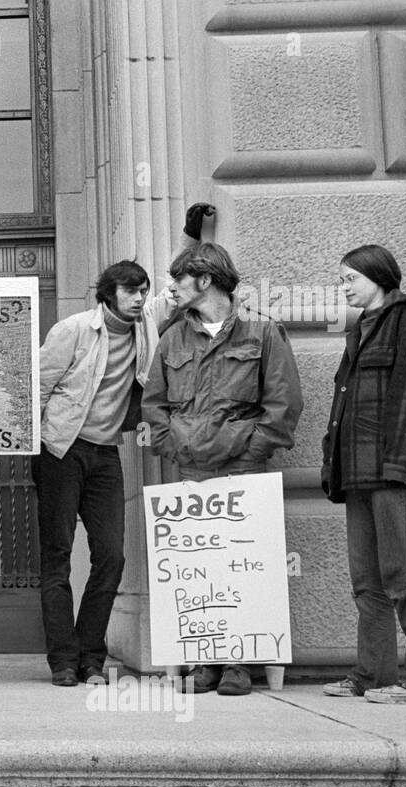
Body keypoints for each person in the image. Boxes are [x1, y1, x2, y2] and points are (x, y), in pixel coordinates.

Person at [34, 205, 209, 687]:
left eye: (143, 292)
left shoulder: (144, 326)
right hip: (60, 451)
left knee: (111, 555)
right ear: (108, 294)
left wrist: (192, 238)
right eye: (131, 291)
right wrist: (32, 446)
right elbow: (37, 387)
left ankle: (92, 654)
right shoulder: (72, 330)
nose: (140, 298)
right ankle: (63, 660)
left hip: (106, 453)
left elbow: (177, 293)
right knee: (57, 555)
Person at [142, 241, 303, 695]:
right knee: (200, 571)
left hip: (244, 468)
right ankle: (205, 663)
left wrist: (252, 450)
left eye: (178, 279)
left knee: (242, 566)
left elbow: (284, 403)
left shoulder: (263, 331)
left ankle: (238, 665)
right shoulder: (173, 337)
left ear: (205, 279)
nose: (171, 288)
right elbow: (153, 402)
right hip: (190, 470)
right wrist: (171, 445)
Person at [320, 245, 406, 704]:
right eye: (342, 280)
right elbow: (344, 404)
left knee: (403, 576)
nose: (344, 287)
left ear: (377, 276)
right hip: (358, 475)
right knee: (367, 582)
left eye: (350, 279)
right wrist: (332, 465)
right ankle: (373, 675)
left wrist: (399, 466)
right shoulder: (361, 328)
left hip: (394, 473)